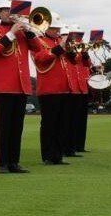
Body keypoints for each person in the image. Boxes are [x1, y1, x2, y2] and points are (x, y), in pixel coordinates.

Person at [0, 0, 35, 174]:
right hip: (4, 85)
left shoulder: (23, 32)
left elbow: (36, 47)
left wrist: (28, 30)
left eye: (11, 10)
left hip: (21, 85)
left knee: (16, 127)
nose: (9, 13)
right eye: (5, 10)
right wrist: (12, 32)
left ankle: (14, 161)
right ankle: (2, 162)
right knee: (3, 126)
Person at [31, 13, 75, 165]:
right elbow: (40, 58)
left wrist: (70, 49)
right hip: (49, 89)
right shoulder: (39, 41)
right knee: (49, 124)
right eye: (54, 28)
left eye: (58, 28)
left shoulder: (59, 41)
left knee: (62, 124)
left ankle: (58, 155)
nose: (57, 31)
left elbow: (74, 62)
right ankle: (48, 155)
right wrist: (60, 47)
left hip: (63, 88)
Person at [69, 23, 91, 155]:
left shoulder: (81, 49)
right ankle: (71, 146)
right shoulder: (69, 49)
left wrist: (85, 52)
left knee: (82, 119)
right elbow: (74, 61)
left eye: (79, 36)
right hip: (73, 88)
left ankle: (79, 145)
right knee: (72, 119)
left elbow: (87, 64)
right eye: (75, 36)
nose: (78, 38)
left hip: (83, 87)